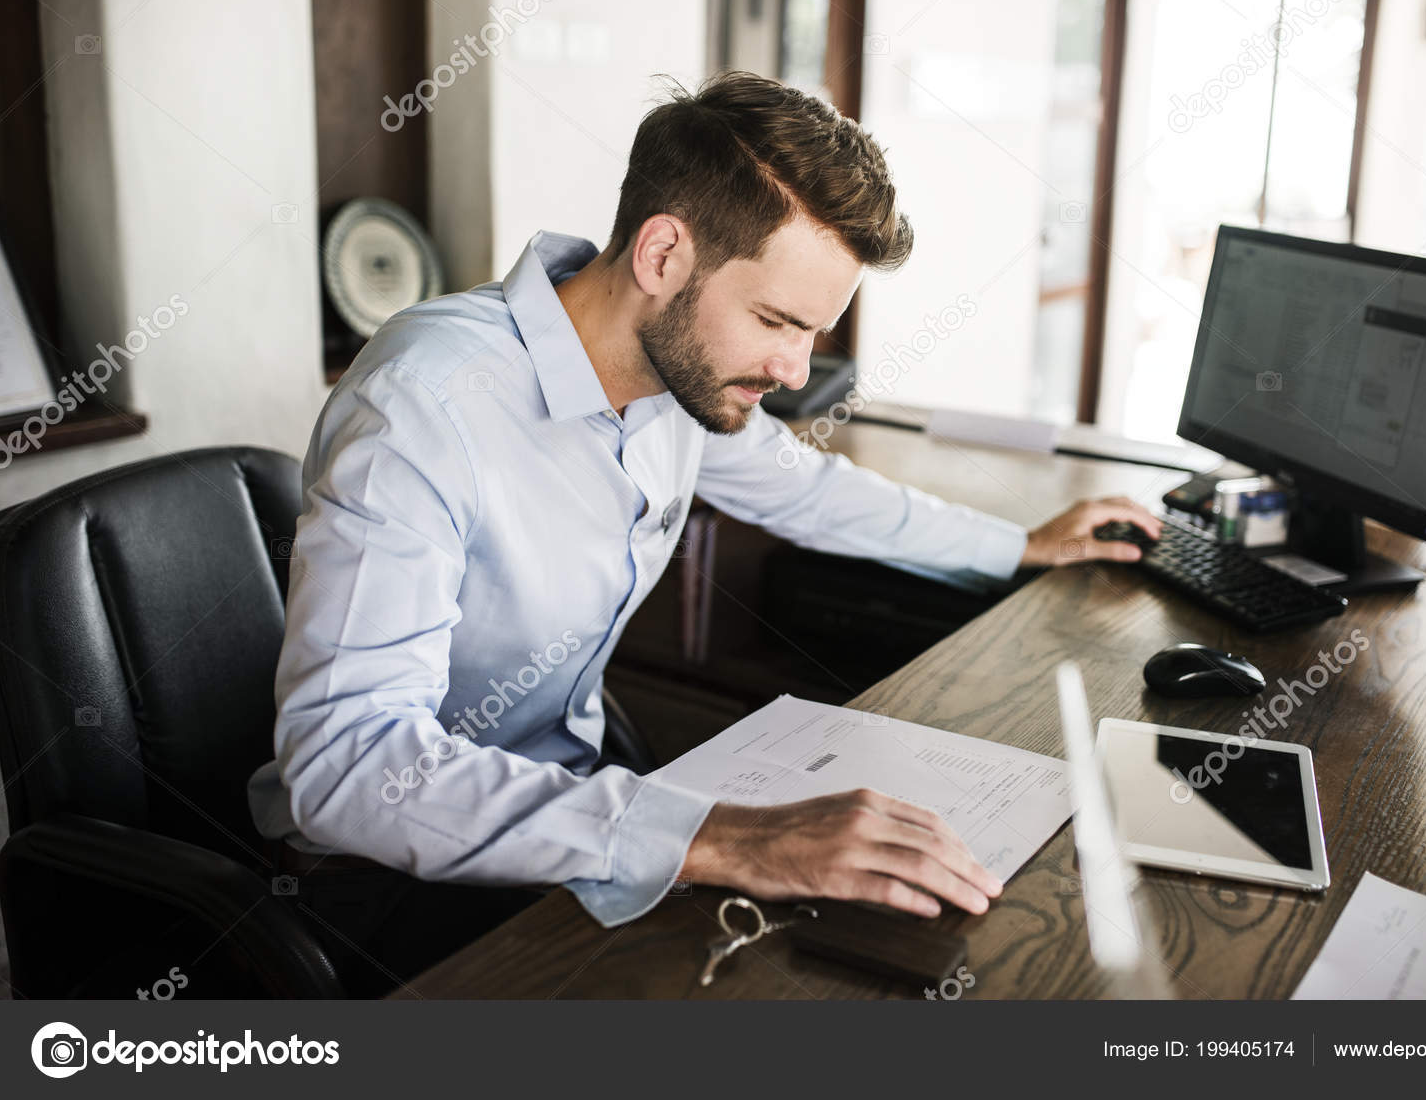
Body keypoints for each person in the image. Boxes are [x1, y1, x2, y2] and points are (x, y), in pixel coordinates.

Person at [246, 70, 1160, 993]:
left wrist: (1021, 546)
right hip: (388, 883)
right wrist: (723, 836)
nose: (794, 368)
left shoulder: (670, 380)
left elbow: (811, 494)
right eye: (775, 320)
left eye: (815, 332)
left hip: (575, 814)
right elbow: (347, 769)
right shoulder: (424, 406)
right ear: (662, 255)